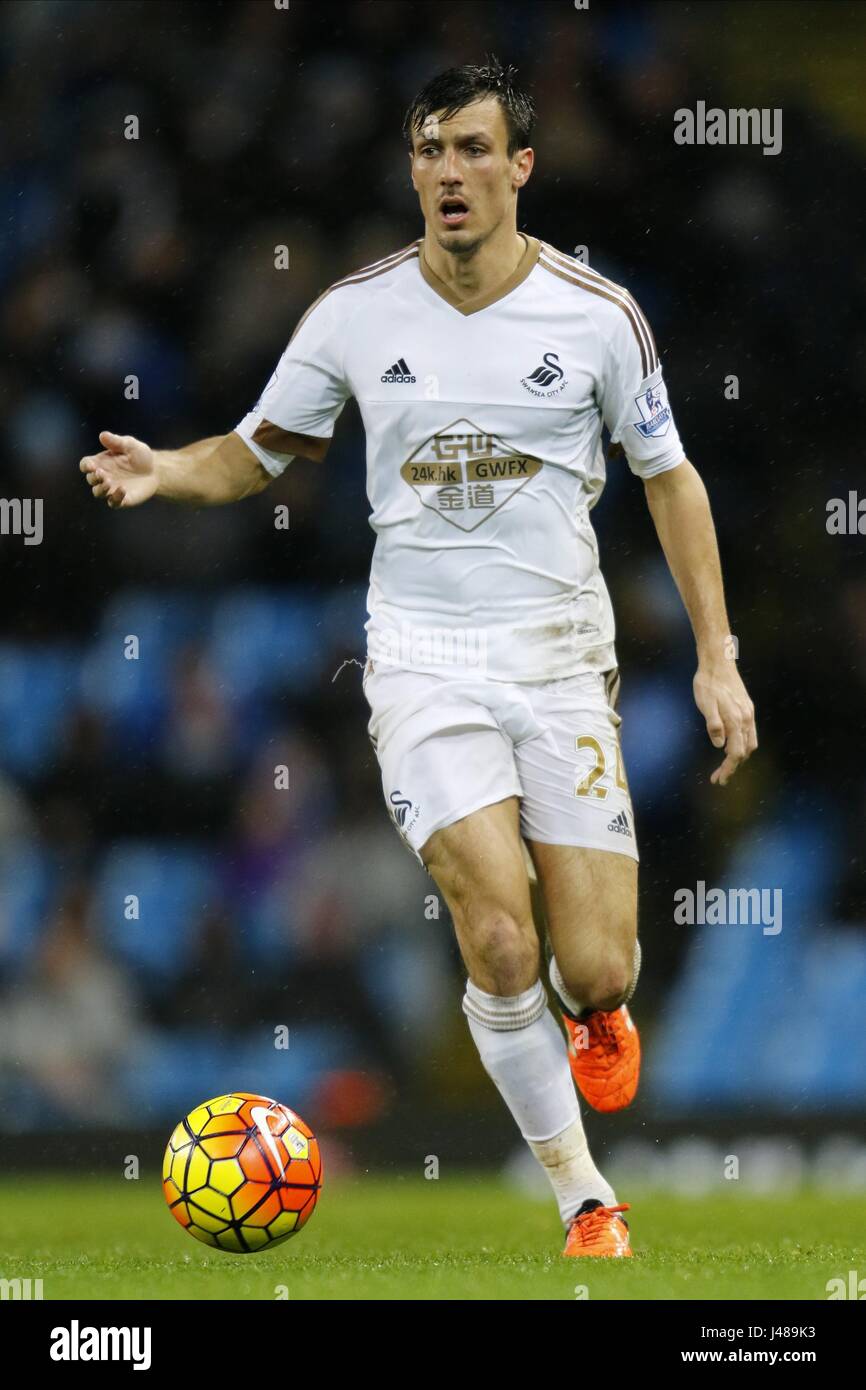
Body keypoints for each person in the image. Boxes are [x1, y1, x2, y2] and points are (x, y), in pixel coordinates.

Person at [80, 57, 757, 1257]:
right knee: (496, 932)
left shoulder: (595, 316)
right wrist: (168, 469)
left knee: (594, 965)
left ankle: (591, 1009)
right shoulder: (354, 312)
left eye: (471, 149)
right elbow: (258, 449)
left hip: (559, 657)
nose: (447, 172)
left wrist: (715, 656)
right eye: (428, 150)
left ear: (520, 167)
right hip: (421, 658)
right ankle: (583, 1198)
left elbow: (670, 479)